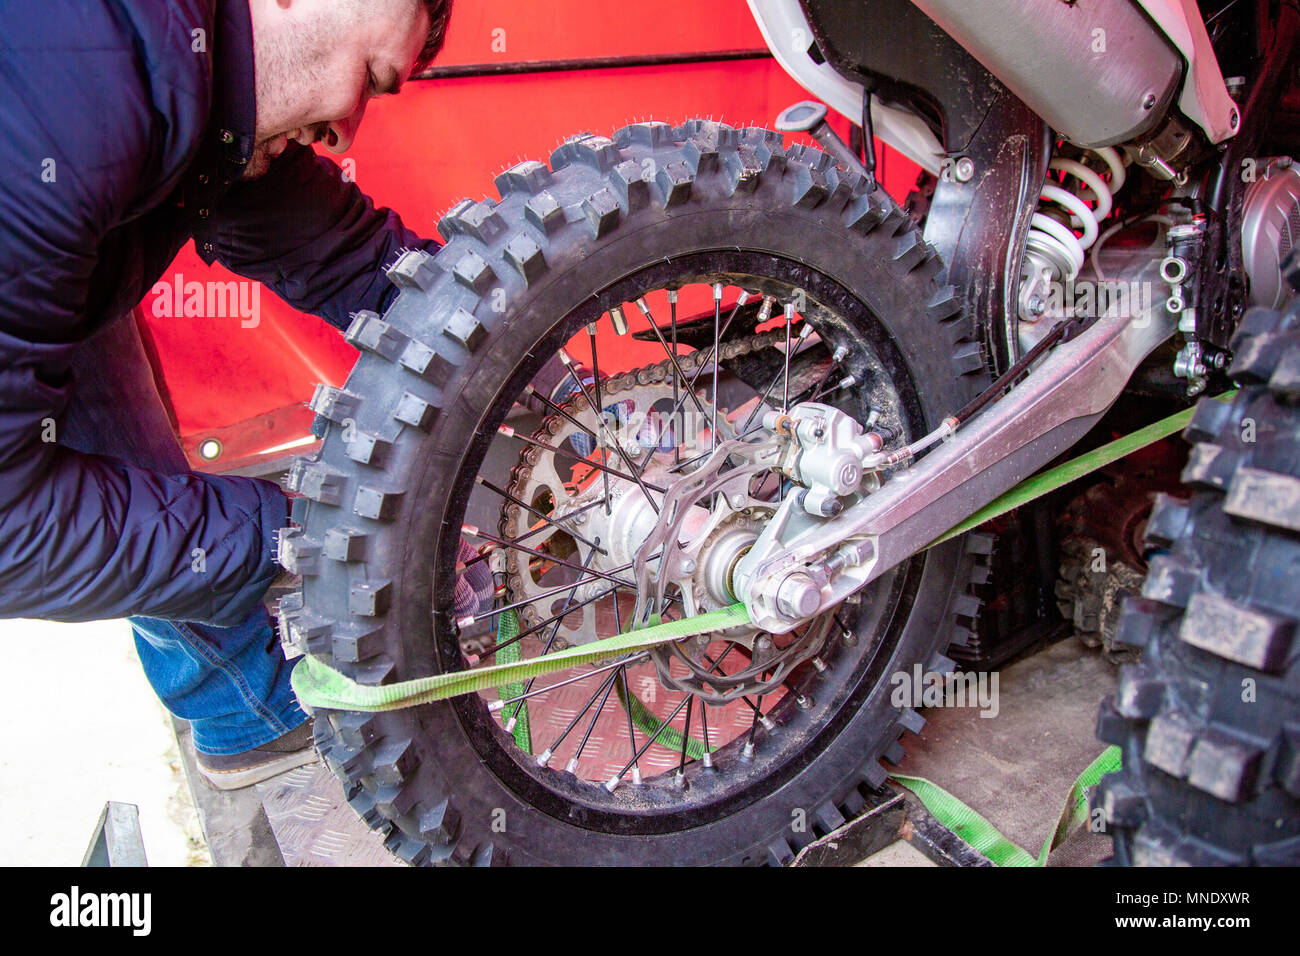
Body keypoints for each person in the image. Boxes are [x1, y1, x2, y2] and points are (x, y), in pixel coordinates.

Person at [0, 0, 487, 790]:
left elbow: (349, 257)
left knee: (119, 454)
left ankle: (240, 710)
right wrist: (321, 542)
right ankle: (252, 711)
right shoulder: (64, 107)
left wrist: (536, 353)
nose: (345, 134)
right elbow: (10, 527)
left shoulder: (197, 81)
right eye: (368, 77)